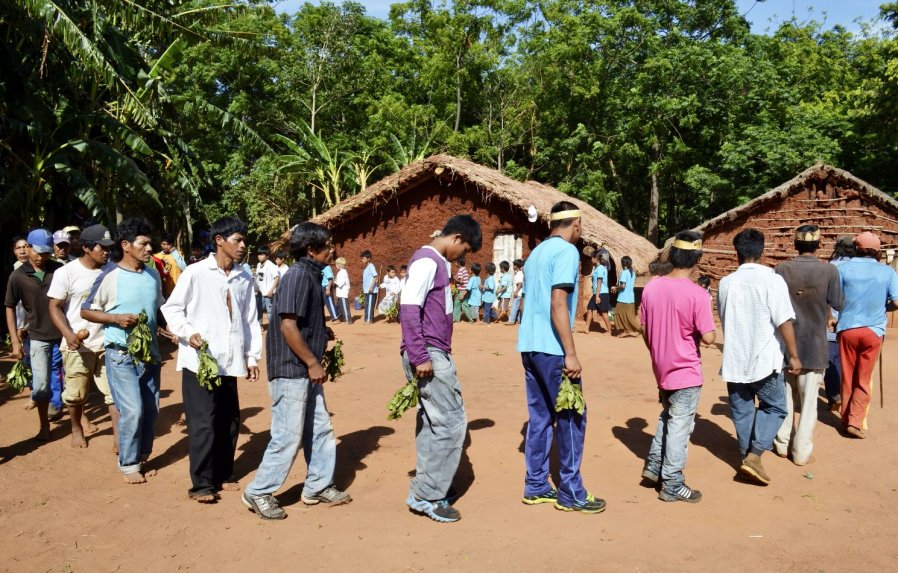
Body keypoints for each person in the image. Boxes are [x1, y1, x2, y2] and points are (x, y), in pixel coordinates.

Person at [242, 222, 351, 520]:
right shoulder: (298, 276)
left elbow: (299, 321)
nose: (332, 250)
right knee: (288, 435)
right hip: (293, 370)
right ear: (310, 250)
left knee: (320, 429)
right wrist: (313, 362)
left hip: (305, 370)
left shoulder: (311, 275)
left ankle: (317, 485)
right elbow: (287, 325)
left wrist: (321, 331)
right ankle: (259, 491)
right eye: (327, 246)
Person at [161, 217, 262, 502]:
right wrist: (188, 333)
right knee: (204, 421)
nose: (243, 246)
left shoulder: (244, 276)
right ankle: (202, 484)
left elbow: (250, 319)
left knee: (229, 420)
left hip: (230, 360)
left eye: (244, 240)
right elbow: (172, 309)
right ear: (219, 241)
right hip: (200, 362)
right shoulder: (195, 273)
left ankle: (223, 472)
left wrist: (252, 356)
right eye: (237, 240)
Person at [518, 201, 605, 514]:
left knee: (540, 418)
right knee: (571, 418)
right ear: (576, 224)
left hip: (529, 346)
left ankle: (537, 484)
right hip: (554, 350)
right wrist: (571, 353)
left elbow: (530, 303)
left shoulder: (536, 254)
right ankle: (571, 491)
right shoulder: (567, 252)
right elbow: (558, 303)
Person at [400, 215, 482, 523]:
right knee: (451, 423)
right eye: (465, 250)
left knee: (432, 421)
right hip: (429, 354)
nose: (463, 257)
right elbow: (408, 307)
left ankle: (426, 488)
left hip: (431, 351)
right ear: (457, 238)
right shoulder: (428, 261)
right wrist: (420, 354)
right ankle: (428, 496)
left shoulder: (434, 262)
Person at [82, 217, 166, 484]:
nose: (149, 248)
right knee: (132, 410)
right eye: (143, 243)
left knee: (151, 410)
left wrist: (169, 332)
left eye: (150, 243)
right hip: (120, 354)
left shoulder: (153, 275)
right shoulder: (110, 275)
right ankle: (128, 464)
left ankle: (142, 457)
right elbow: (86, 310)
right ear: (126, 245)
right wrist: (116, 319)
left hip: (150, 354)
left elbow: (158, 311)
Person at [717, 228, 801, 485]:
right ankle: (754, 456)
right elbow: (784, 320)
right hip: (764, 359)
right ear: (761, 251)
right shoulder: (772, 280)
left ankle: (747, 457)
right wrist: (794, 356)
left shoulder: (725, 283)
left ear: (737, 253)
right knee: (775, 407)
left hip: (734, 359)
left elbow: (724, 318)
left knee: (742, 411)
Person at [640, 231, 716, 503]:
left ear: (672, 256)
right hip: (686, 370)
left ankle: (653, 467)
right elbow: (708, 338)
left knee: (668, 417)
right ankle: (672, 483)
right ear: (697, 259)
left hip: (661, 368)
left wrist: (658, 351)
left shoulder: (652, 287)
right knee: (681, 426)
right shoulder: (697, 295)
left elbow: (645, 330)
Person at [772, 226, 843, 465]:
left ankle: (782, 445)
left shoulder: (782, 269)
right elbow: (838, 302)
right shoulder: (829, 271)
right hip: (814, 347)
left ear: (795, 244)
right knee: (809, 402)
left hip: (783, 347)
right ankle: (801, 453)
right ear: (818, 245)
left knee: (785, 399)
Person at [47, 224, 119, 449]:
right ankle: (76, 428)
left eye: (109, 247)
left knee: (113, 394)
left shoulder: (114, 271)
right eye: (102, 247)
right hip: (78, 346)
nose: (107, 252)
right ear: (86, 248)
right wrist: (68, 335)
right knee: (75, 395)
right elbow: (55, 307)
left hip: (108, 343)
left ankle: (119, 439)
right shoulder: (66, 273)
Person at [834, 231, 898, 439]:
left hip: (847, 329)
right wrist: (882, 308)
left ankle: (845, 418)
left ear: (857, 248)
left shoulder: (842, 269)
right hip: (874, 330)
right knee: (863, 377)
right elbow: (897, 302)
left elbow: (834, 299)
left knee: (848, 375)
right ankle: (855, 420)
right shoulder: (887, 272)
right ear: (877, 251)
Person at [5, 229, 64, 441]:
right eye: (38, 252)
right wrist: (14, 340)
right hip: (37, 336)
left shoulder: (59, 270)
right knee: (40, 385)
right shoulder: (18, 276)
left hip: (64, 334)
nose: (42, 257)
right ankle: (44, 425)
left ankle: (79, 420)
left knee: (74, 379)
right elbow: (9, 306)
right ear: (28, 248)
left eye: (47, 252)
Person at [585, 252, 612, 334]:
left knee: (603, 312)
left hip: (601, 293)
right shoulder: (598, 268)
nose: (591, 260)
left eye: (592, 258)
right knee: (590, 308)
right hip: (598, 293)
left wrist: (597, 296)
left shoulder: (600, 268)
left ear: (596, 259)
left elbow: (599, 282)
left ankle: (609, 330)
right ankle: (586, 328)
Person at [612, 255, 639, 337]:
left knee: (618, 313)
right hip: (630, 298)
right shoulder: (633, 273)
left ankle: (635, 329)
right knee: (629, 316)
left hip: (623, 298)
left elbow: (623, 286)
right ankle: (629, 330)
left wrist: (615, 288)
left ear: (623, 264)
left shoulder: (624, 272)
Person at [255, 246, 279, 325]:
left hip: (268, 293)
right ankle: (260, 325)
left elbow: (276, 278)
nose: (259, 256)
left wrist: (271, 290)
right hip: (259, 292)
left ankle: (273, 327)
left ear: (267, 256)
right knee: (258, 310)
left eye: (262, 254)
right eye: (259, 254)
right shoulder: (258, 265)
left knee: (270, 311)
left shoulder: (271, 265)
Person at [318, 253, 339, 322]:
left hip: (327, 287)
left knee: (330, 302)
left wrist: (328, 289)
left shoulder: (327, 267)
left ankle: (335, 318)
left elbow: (330, 279)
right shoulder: (322, 267)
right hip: (323, 287)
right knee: (326, 303)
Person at [334, 257, 353, 325]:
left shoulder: (342, 272)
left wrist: (334, 281)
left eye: (336, 264)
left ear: (339, 265)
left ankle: (348, 320)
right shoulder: (341, 272)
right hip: (340, 293)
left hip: (343, 293)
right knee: (340, 307)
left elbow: (340, 283)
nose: (335, 265)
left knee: (345, 307)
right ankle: (343, 318)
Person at [361, 250, 378, 323]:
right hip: (366, 290)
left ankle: (369, 320)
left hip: (371, 290)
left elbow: (376, 277)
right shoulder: (366, 267)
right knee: (367, 305)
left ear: (369, 258)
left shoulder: (371, 266)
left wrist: (371, 287)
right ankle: (369, 319)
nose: (362, 260)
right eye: (362, 258)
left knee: (370, 305)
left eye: (364, 258)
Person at [506, 259, 524, 325]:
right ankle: (519, 320)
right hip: (520, 293)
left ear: (516, 266)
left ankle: (511, 321)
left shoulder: (519, 274)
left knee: (514, 307)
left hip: (518, 293)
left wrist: (516, 292)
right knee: (519, 307)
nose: (513, 267)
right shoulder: (520, 273)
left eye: (514, 265)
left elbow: (520, 284)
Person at [452, 258, 469, 323]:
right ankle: (471, 318)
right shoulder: (464, 269)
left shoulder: (460, 270)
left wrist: (455, 279)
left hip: (462, 290)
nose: (455, 263)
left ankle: (455, 319)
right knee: (464, 304)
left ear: (459, 263)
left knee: (457, 304)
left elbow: (461, 282)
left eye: (456, 262)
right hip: (465, 290)